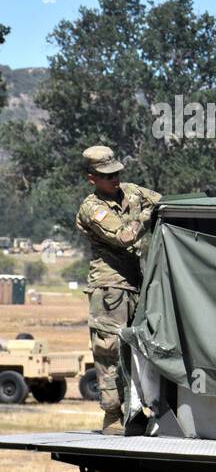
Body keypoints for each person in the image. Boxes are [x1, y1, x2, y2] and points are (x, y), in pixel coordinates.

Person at [74, 145, 162, 434]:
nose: (115, 180)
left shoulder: (132, 192)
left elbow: (163, 203)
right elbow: (124, 236)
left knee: (139, 350)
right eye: (107, 176)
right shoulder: (92, 208)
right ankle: (112, 414)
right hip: (110, 287)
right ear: (92, 178)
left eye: (117, 173)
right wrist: (145, 216)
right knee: (109, 351)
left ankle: (141, 410)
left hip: (136, 284)